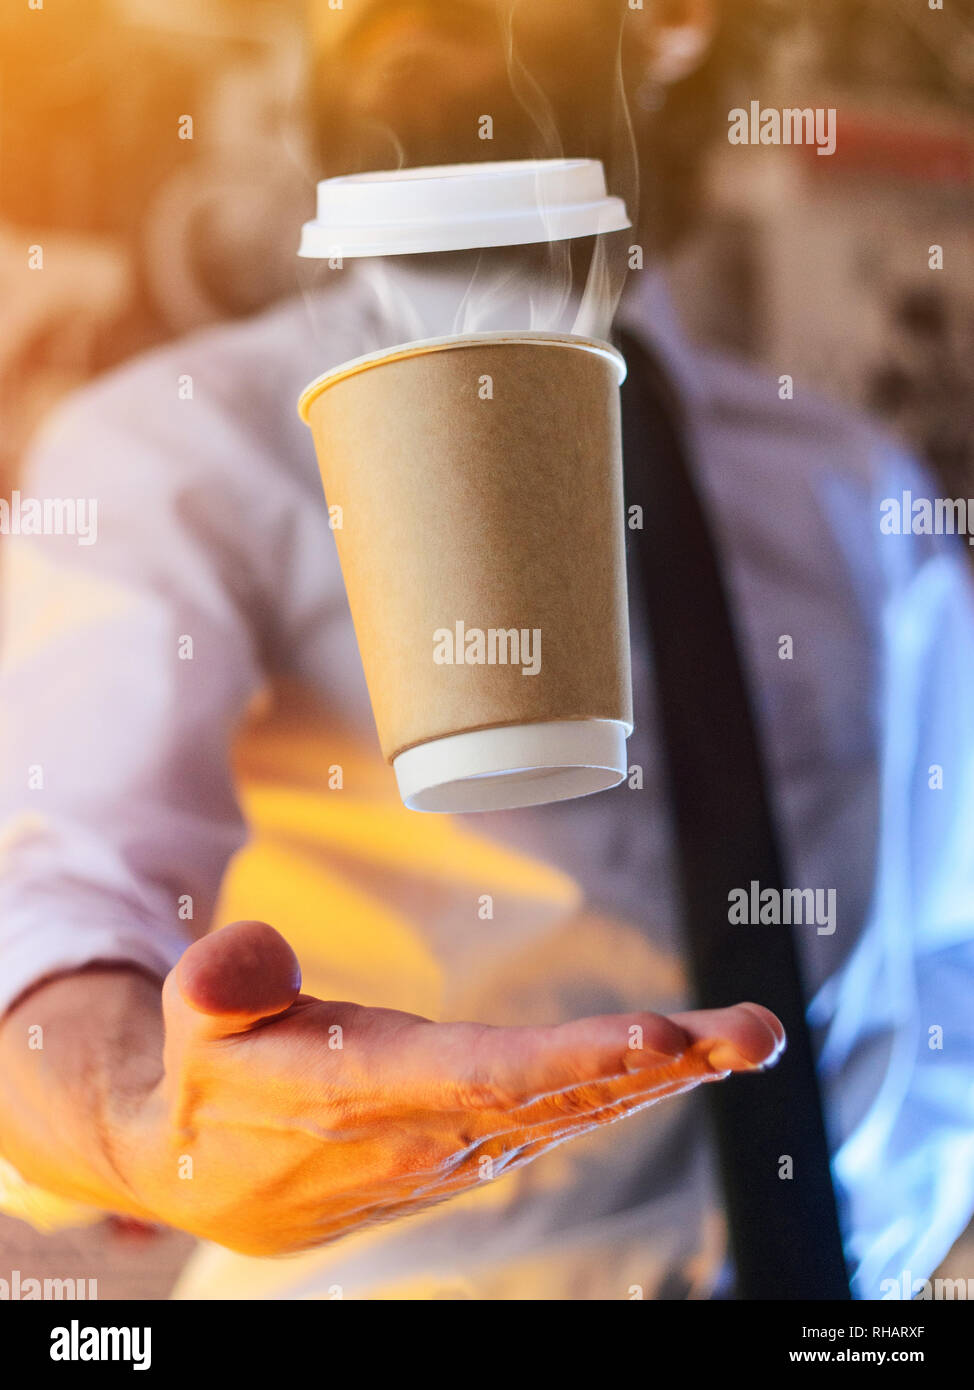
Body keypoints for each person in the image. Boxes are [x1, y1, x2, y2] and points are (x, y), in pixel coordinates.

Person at [0, 0, 972, 1301]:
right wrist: (127, 1105)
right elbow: (52, 891)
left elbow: (940, 961)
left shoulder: (853, 493)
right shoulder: (180, 457)